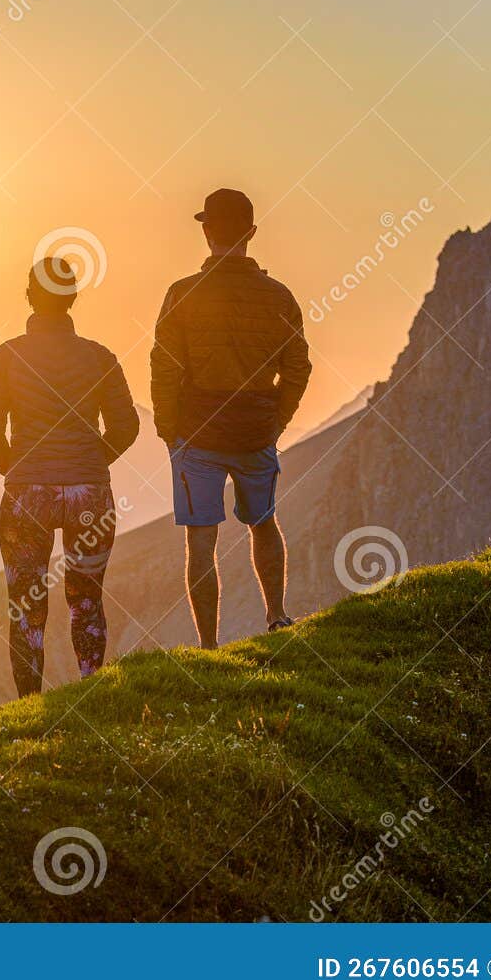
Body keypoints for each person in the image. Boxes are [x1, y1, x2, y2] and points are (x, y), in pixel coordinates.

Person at [149, 187, 312, 648]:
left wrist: (167, 428)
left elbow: (164, 365)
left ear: (207, 232)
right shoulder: (278, 297)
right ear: (251, 233)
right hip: (256, 431)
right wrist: (277, 421)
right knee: (264, 522)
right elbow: (297, 367)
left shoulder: (182, 294)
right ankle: (277, 616)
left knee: (201, 539)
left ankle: (209, 646)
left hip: (197, 432)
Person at [0, 257, 139, 696]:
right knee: (86, 600)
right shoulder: (100, 357)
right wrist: (91, 463)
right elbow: (127, 426)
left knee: (26, 607)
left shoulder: (6, 358)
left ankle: (30, 702)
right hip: (90, 494)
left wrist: (19, 469)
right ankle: (91, 690)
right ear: (74, 298)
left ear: (29, 296)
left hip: (28, 493)